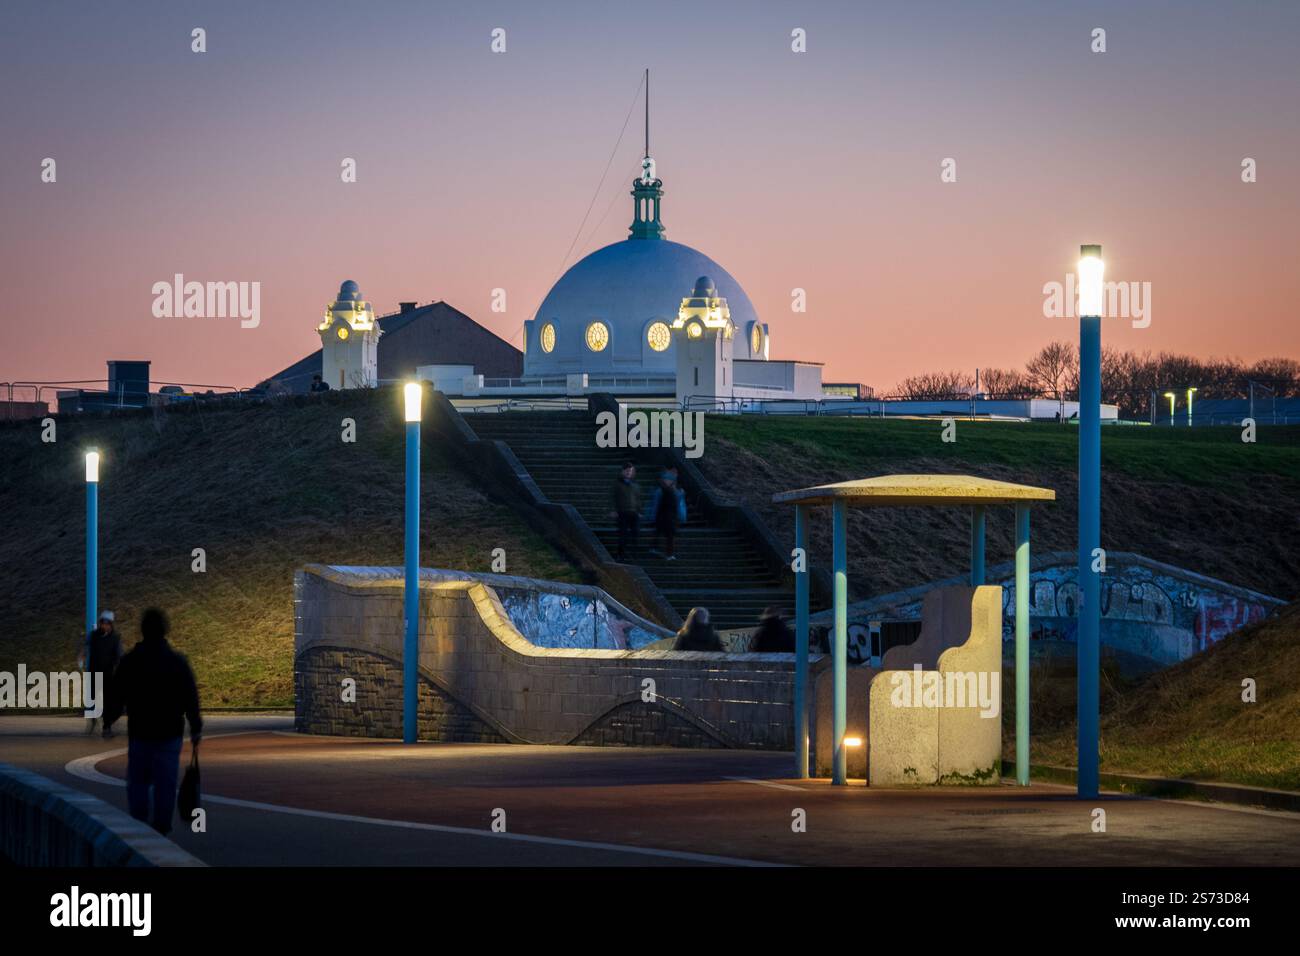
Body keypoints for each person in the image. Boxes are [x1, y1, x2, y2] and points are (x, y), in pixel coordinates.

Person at [104, 608, 203, 836]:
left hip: (140, 730)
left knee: (138, 780)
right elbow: (190, 696)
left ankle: (138, 822)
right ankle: (161, 826)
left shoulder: (130, 661)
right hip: (170, 732)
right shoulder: (177, 662)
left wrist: (109, 720)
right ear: (165, 630)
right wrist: (196, 727)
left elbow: (117, 694)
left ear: (143, 631)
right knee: (165, 782)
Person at [80, 610, 122, 737]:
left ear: (111, 624)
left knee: (108, 700)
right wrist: (81, 658)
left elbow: (119, 655)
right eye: (102, 623)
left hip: (108, 673)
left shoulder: (115, 638)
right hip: (94, 671)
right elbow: (86, 648)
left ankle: (107, 727)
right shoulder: (93, 635)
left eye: (107, 623)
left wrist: (119, 667)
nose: (104, 626)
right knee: (91, 697)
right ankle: (92, 721)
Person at [648, 466, 685, 561]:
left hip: (670, 517)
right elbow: (656, 504)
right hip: (664, 516)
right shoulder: (661, 491)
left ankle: (667, 553)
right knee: (662, 533)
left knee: (668, 535)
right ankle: (660, 550)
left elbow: (680, 505)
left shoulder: (677, 491)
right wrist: (653, 515)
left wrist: (681, 516)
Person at [609, 461, 641, 561]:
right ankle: (621, 554)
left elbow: (638, 499)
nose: (629, 473)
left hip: (634, 513)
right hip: (622, 512)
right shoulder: (617, 484)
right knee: (623, 534)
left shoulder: (635, 485)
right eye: (627, 471)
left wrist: (639, 511)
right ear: (623, 471)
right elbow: (613, 497)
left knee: (635, 533)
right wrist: (613, 510)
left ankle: (633, 554)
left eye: (630, 471)